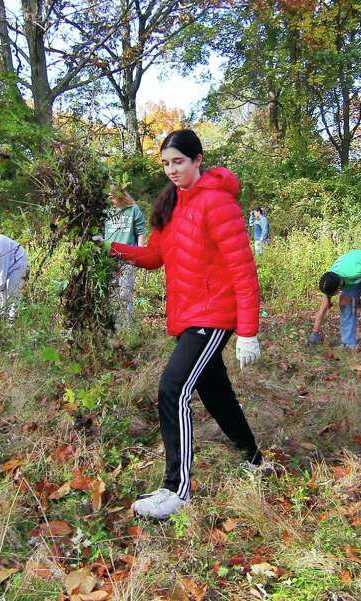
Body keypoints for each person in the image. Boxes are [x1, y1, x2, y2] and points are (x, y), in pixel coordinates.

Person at [106, 129, 263, 520]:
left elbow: (243, 271)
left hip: (212, 316)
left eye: (178, 161)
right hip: (188, 315)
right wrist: (109, 249)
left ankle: (176, 489)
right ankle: (255, 460)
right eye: (165, 164)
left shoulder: (218, 203)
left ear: (198, 160)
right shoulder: (171, 205)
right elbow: (154, 256)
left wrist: (248, 331)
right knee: (216, 391)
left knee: (173, 388)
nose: (172, 170)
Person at [309, 249, 361, 352]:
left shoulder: (354, 271)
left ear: (339, 287)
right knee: (345, 304)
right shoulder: (328, 283)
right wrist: (315, 332)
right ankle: (348, 344)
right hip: (354, 270)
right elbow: (322, 309)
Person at [103, 184, 147, 326]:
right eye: (109, 196)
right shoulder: (106, 211)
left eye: (113, 196)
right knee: (111, 294)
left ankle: (126, 328)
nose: (111, 199)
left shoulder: (133, 209)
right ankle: (113, 326)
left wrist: (140, 252)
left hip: (128, 258)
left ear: (121, 195)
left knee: (125, 293)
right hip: (109, 257)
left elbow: (140, 230)